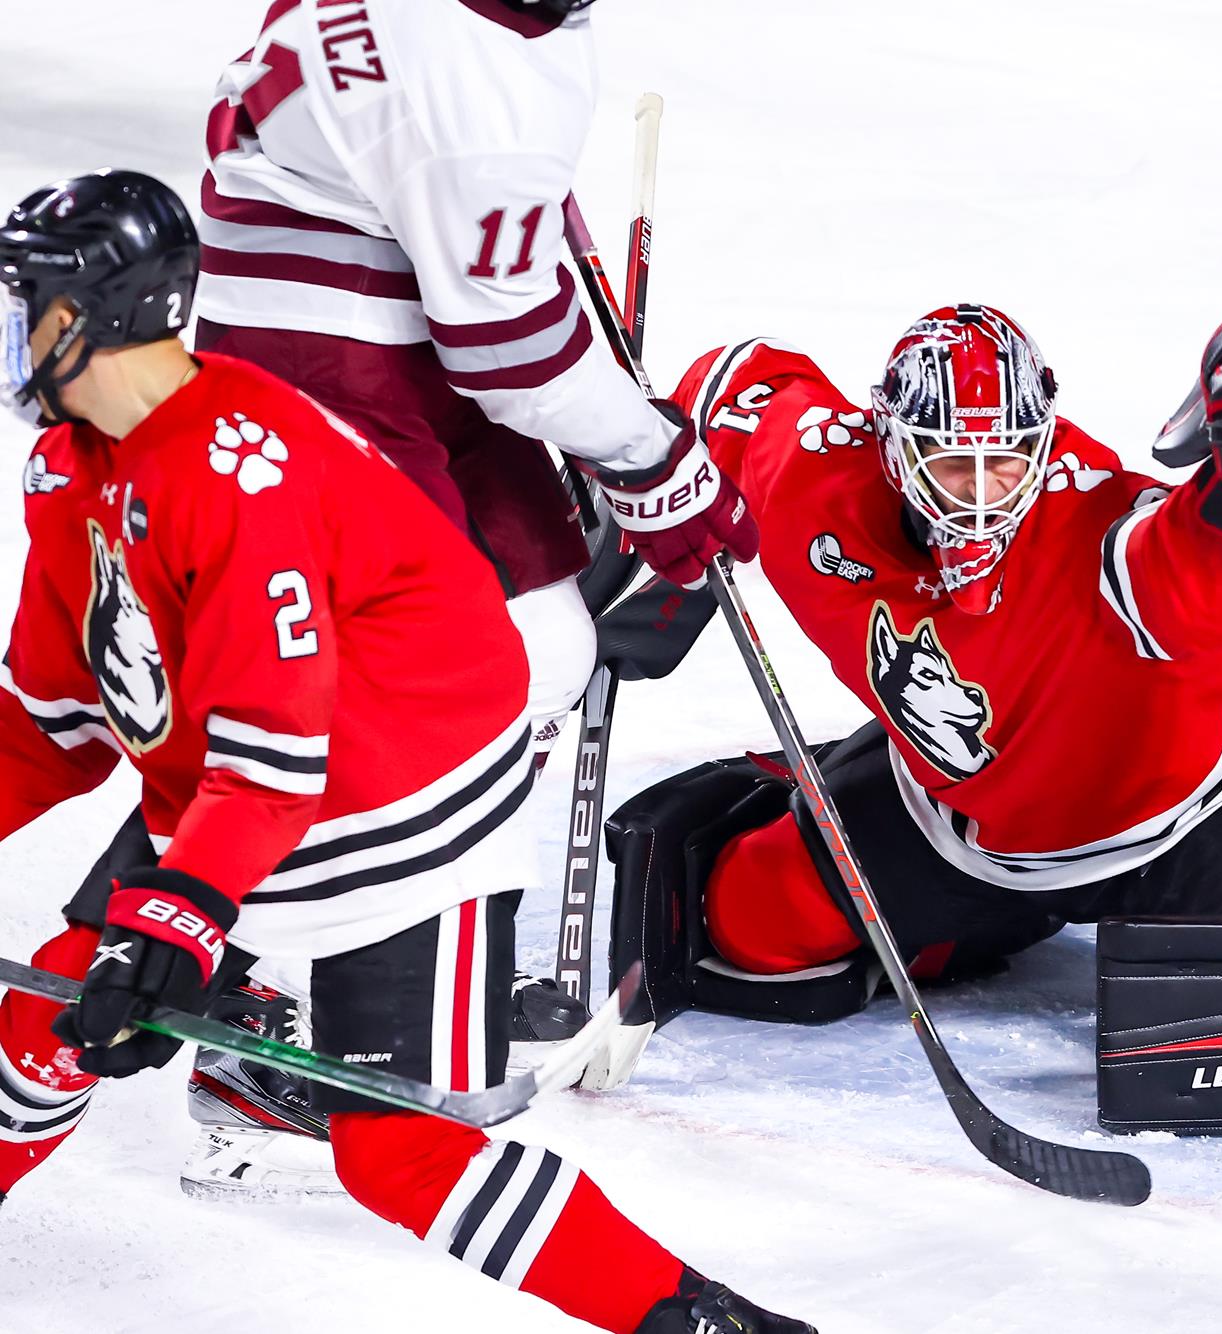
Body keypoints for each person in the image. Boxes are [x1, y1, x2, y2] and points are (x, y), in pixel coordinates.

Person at [0, 169, 811, 1334]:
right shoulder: (74, 468)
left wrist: (178, 921)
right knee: (51, 1007)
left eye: (24, 304)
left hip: (408, 802)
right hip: (243, 786)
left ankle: (706, 1322)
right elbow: (53, 719)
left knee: (403, 1152)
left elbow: (278, 757)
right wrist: (171, 920)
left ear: (98, 317)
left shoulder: (244, 473)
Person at [144, 0, 758, 1189]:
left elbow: (449, 204)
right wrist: (649, 459)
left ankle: (381, 942)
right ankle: (282, 1018)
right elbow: (511, 348)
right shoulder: (475, 84)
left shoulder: (479, 46)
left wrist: (504, 228)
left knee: (551, 642)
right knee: (457, 677)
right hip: (325, 365)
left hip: (386, 325)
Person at [596, 241, 1222, 1058]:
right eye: (948, 462)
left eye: (1003, 462)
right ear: (889, 443)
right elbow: (737, 384)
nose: (979, 494)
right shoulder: (821, 481)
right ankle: (982, 913)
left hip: (1196, 810)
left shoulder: (1097, 524)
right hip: (973, 826)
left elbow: (1215, 564)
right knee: (747, 928)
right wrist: (634, 462)